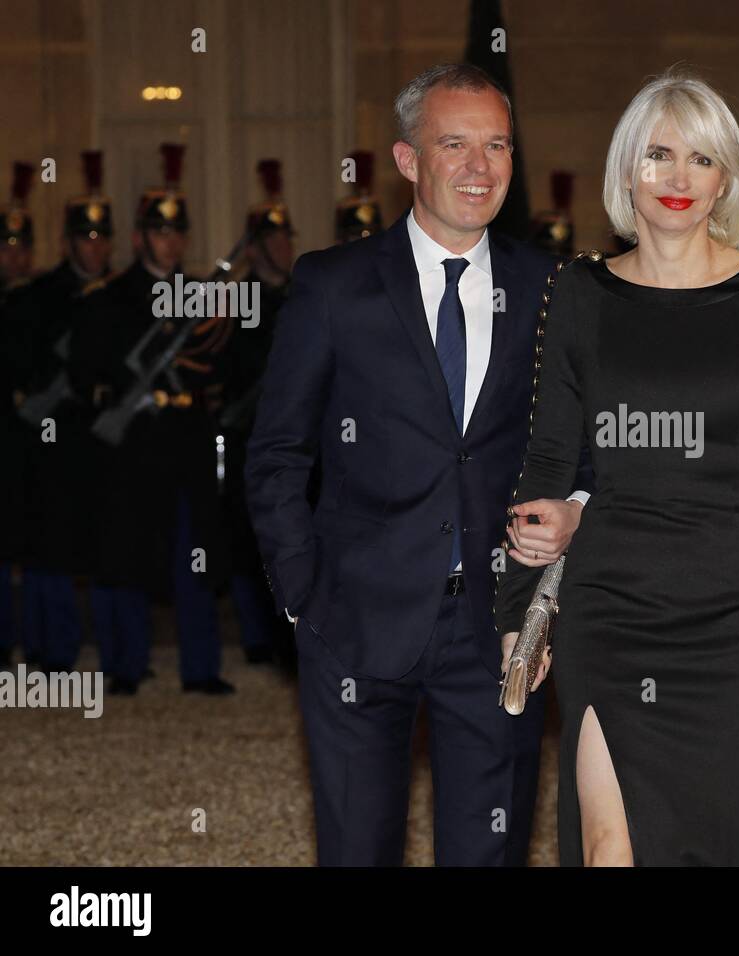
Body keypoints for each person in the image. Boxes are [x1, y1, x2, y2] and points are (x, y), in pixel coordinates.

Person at [246, 63, 591, 866]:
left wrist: (571, 510)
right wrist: (303, 597)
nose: (481, 166)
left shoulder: (551, 289)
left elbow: (590, 448)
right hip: (354, 623)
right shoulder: (335, 287)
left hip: (500, 632)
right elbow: (274, 455)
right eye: (455, 144)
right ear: (408, 160)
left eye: (498, 144)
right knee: (358, 848)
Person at [494, 69, 739, 867]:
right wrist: (520, 613)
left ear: (727, 180)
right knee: (609, 844)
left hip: (728, 613)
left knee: (717, 849)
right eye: (657, 155)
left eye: (702, 159)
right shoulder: (578, 293)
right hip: (609, 608)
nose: (678, 179)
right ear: (625, 172)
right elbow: (546, 455)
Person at [70, 143, 233, 695]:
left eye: (177, 231)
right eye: (160, 232)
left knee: (195, 554)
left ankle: (201, 668)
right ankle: (124, 665)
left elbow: (219, 368)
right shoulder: (110, 300)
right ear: (141, 236)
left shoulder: (204, 298)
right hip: (135, 446)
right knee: (130, 554)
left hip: (187, 443)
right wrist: (120, 399)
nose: (170, 241)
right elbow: (85, 374)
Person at [7, 151, 115, 672]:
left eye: (101, 238)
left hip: (96, 440)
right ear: (69, 241)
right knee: (46, 546)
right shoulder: (40, 296)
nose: (94, 248)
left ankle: (102, 650)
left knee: (91, 547)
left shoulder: (118, 295)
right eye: (85, 238)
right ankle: (50, 651)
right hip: (48, 442)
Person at [221, 158, 296, 666]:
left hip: (300, 440)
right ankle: (255, 636)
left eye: (286, 236)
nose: (283, 246)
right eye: (272, 238)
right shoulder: (238, 304)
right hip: (252, 435)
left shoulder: (307, 295)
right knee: (252, 538)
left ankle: (289, 632)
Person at [0, 161, 37, 668]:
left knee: (30, 546)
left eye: (22, 246)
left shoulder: (45, 299)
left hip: (33, 441)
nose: (16, 255)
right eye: (8, 246)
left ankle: (36, 640)